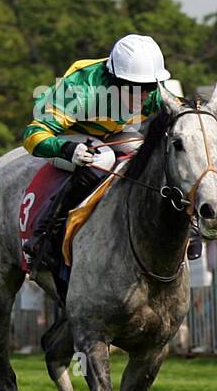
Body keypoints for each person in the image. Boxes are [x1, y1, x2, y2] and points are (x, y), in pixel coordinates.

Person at [21, 34, 172, 274]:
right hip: (68, 136)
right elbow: (32, 136)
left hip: (111, 132)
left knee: (147, 151)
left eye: (149, 87)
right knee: (104, 158)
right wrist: (66, 149)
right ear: (114, 80)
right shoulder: (81, 90)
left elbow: (182, 115)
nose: (143, 95)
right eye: (134, 88)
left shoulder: (151, 92)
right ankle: (44, 235)